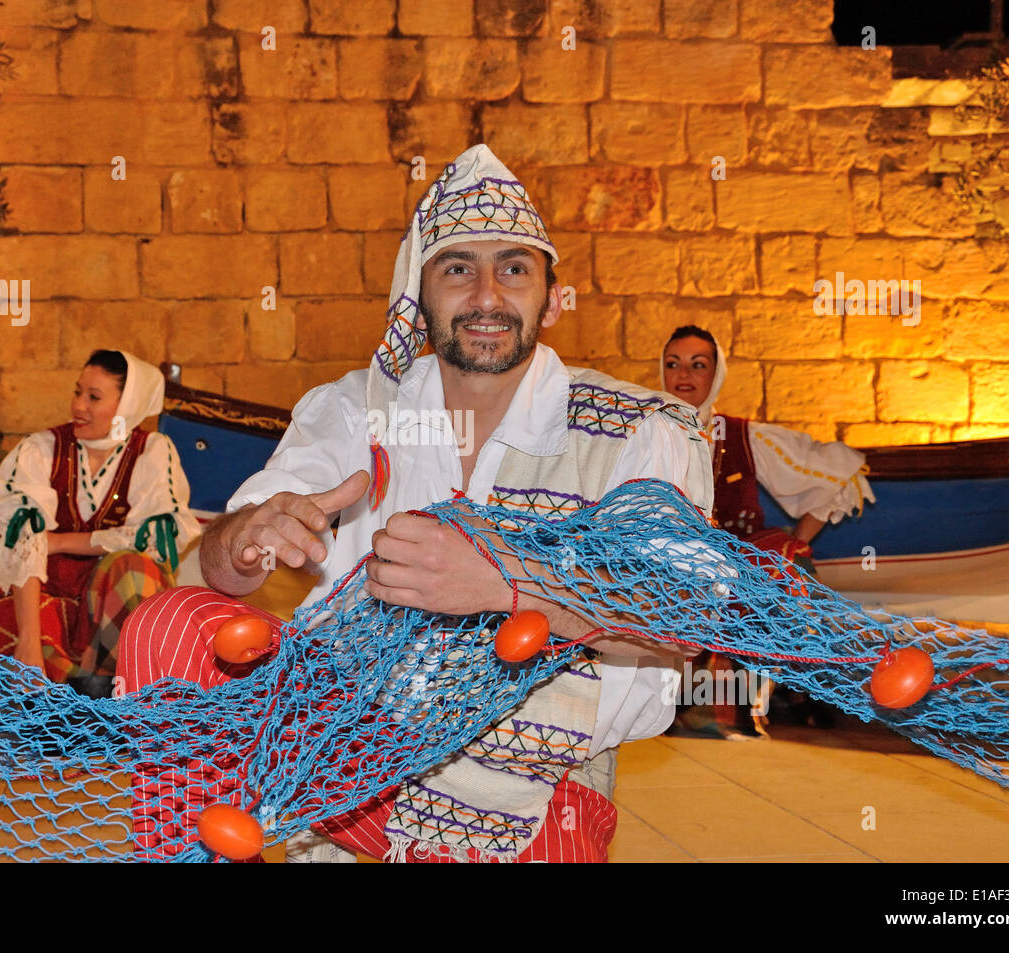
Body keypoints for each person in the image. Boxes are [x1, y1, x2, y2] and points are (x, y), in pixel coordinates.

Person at [117, 144, 712, 863]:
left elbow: (683, 624)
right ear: (418, 294)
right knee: (169, 624)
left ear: (552, 297)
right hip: (354, 757)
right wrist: (248, 538)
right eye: (458, 267)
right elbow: (220, 565)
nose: (488, 295)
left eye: (514, 268)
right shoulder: (356, 409)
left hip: (534, 793)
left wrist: (506, 584)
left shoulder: (637, 431)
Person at [661, 325, 874, 735]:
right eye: (673, 364)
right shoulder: (643, 428)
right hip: (667, 566)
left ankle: (742, 704)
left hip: (734, 572)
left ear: (716, 374)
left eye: (697, 364)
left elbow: (837, 473)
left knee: (778, 562)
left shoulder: (742, 436)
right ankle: (661, 704)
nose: (683, 373)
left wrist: (796, 543)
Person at [0, 349, 200, 695]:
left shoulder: (152, 451)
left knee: (135, 571)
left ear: (127, 407)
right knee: (14, 625)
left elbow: (147, 540)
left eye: (94, 397)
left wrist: (60, 542)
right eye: (78, 392)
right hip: (42, 589)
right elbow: (26, 546)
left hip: (106, 597)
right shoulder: (43, 449)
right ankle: (77, 694)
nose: (79, 406)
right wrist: (29, 643)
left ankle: (113, 684)